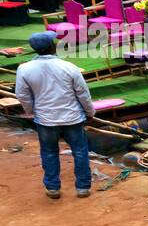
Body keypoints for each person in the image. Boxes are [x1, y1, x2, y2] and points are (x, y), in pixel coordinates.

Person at [15, 31, 95, 199]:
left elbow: (22, 95)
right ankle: (83, 188)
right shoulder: (69, 67)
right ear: (52, 46)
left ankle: (53, 188)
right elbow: (83, 93)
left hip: (45, 119)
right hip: (72, 116)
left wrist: (31, 111)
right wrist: (90, 112)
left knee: (49, 152)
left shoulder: (24, 69)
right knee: (80, 152)